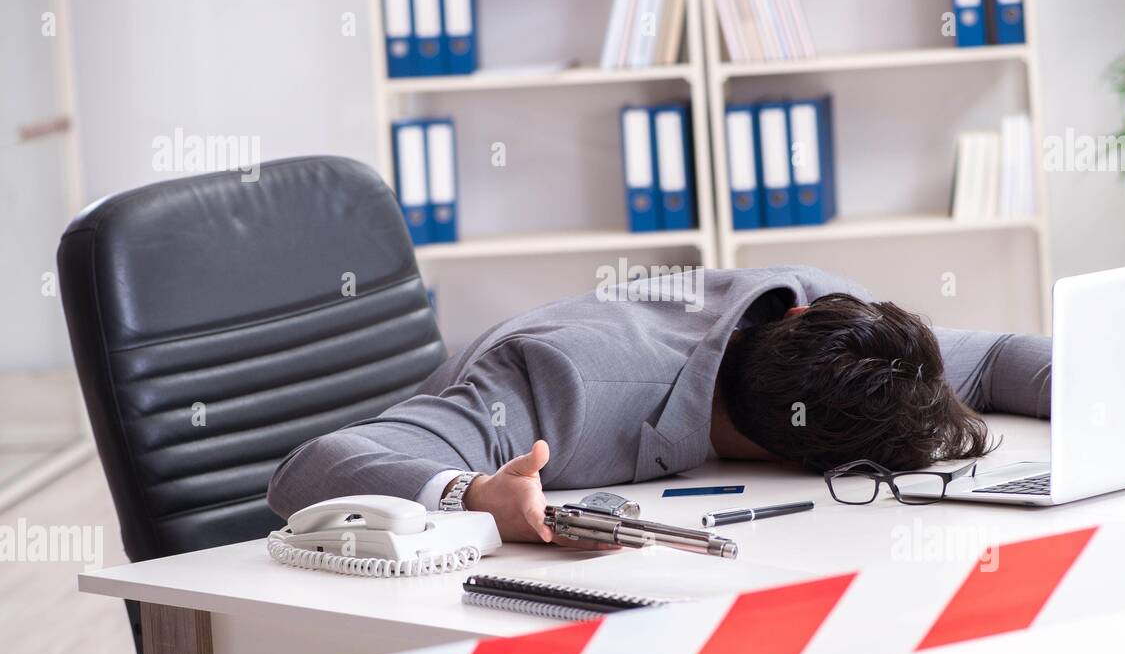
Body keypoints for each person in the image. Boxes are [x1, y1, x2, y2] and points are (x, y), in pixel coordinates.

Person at [267, 265, 1050, 544]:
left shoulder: (818, 322)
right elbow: (310, 466)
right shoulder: (562, 388)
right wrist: (474, 496)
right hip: (332, 558)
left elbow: (1002, 357)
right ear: (796, 461)